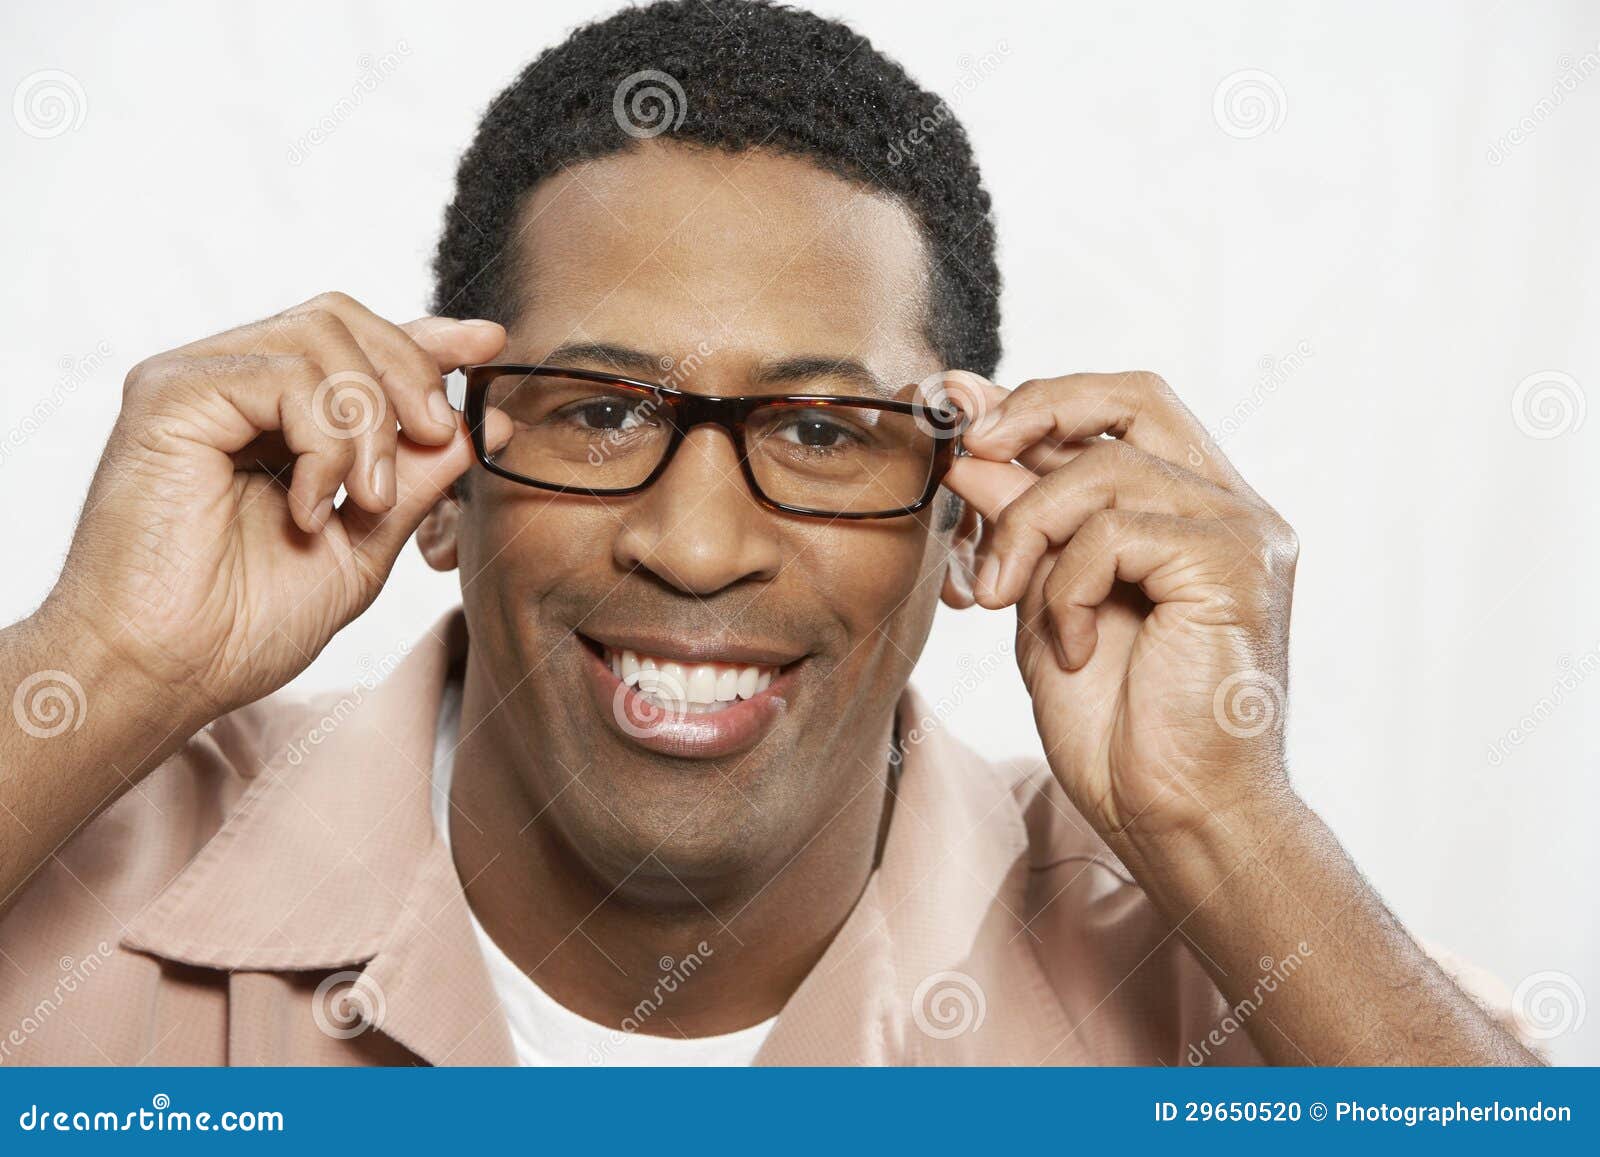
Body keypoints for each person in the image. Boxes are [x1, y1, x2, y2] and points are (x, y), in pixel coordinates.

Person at [0, 0, 1534, 1066]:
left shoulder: (1230, 978)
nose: (695, 540)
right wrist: (102, 662)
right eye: (599, 409)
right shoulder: (72, 877)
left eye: (820, 431)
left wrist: (1226, 822)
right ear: (445, 472)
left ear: (965, 513)